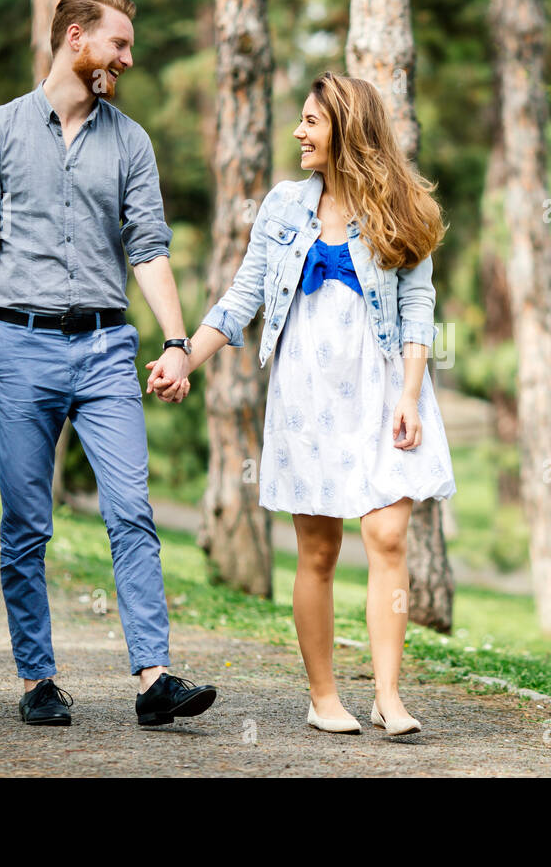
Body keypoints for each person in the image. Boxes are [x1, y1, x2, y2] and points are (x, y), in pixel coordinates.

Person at [0, 0, 217, 728]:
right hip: (20, 348)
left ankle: (155, 678)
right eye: (118, 44)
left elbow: (150, 249)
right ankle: (38, 679)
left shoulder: (131, 142)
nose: (128, 58)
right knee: (27, 522)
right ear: (75, 39)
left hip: (104, 349)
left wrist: (178, 342)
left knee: (130, 508)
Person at [171, 71, 457, 735]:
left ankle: (388, 696)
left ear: (346, 130)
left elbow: (418, 310)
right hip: (306, 392)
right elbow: (243, 296)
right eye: (299, 120)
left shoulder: (402, 206)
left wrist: (411, 393)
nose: (298, 132)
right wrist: (186, 354)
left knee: (387, 534)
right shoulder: (282, 205)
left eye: (311, 121)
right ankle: (324, 697)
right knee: (319, 549)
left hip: (386, 389)